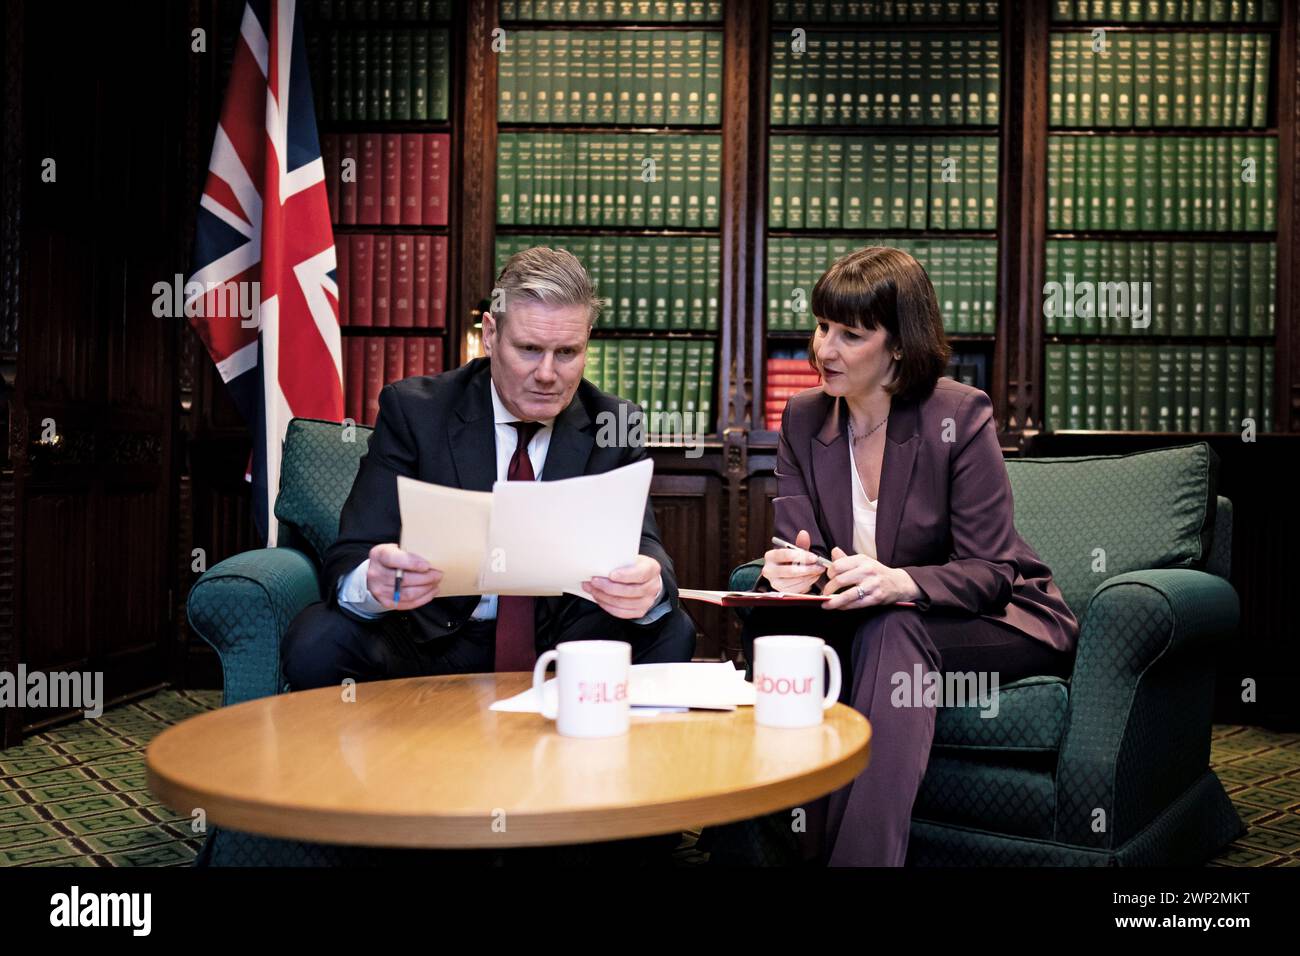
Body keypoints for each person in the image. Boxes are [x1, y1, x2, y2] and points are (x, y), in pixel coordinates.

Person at [706, 246, 1079, 867]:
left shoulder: (958, 414)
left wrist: (901, 581)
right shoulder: (802, 417)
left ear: (899, 345)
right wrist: (787, 574)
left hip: (996, 616)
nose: (824, 349)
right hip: (865, 616)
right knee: (797, 624)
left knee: (894, 623)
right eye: (823, 325)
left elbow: (991, 572)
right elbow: (797, 543)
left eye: (851, 334)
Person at [282, 246, 697, 689]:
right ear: (490, 333)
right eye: (530, 349)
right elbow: (354, 550)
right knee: (318, 640)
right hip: (430, 640)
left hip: (562, 646)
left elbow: (646, 546)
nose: (547, 373)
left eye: (567, 352)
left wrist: (647, 587)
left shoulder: (613, 423)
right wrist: (375, 583)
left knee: (672, 629)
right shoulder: (414, 411)